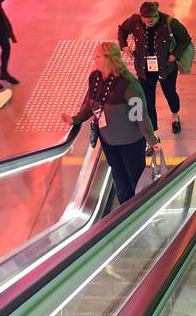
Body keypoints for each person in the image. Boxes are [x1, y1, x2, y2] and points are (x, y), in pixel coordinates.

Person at [61, 42, 159, 204]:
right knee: (118, 176)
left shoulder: (129, 85)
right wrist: (75, 119)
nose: (94, 59)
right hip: (108, 142)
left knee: (136, 177)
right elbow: (90, 104)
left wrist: (152, 142)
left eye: (98, 56)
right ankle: (124, 209)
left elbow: (141, 116)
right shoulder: (95, 78)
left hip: (131, 143)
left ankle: (139, 206)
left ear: (110, 59)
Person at [118, 1, 192, 135]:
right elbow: (122, 30)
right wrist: (124, 45)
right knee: (148, 101)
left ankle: (175, 115)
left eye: (150, 21)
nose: (147, 24)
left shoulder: (170, 23)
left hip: (166, 68)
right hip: (144, 69)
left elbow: (185, 39)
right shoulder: (135, 21)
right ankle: (154, 133)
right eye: (144, 21)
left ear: (157, 15)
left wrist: (174, 55)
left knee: (170, 94)